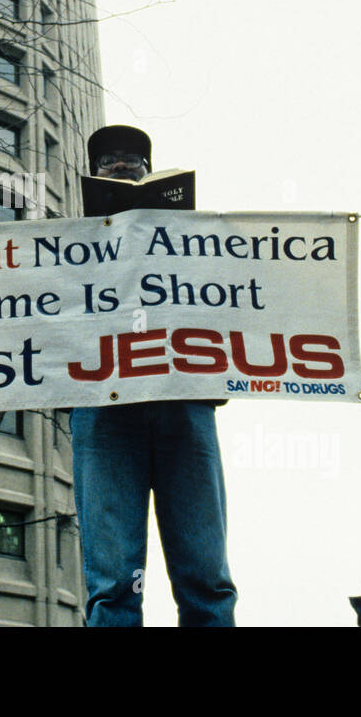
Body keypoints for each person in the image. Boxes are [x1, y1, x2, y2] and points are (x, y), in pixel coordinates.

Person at [67, 124, 237, 627]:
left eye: (132, 159)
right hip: (103, 411)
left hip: (184, 403)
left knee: (206, 576)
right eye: (109, 160)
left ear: (150, 172)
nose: (121, 164)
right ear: (94, 176)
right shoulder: (60, 248)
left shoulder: (200, 244)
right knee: (113, 581)